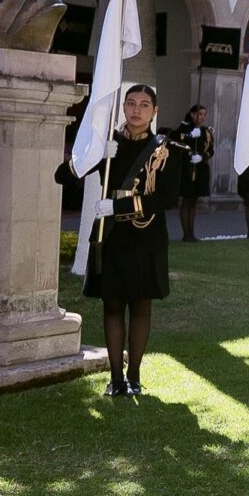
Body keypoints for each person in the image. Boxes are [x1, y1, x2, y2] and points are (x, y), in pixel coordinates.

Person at [63, 82, 180, 397]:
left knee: (141, 306)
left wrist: (120, 205)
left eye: (144, 104)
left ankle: (135, 375)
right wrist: (93, 151)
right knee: (112, 305)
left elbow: (167, 198)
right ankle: (115, 378)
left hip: (146, 235)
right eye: (131, 103)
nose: (136, 110)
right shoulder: (108, 144)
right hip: (111, 235)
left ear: (154, 111)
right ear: (123, 108)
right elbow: (63, 175)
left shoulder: (166, 148)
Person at [171, 103, 215, 243]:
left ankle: (191, 232)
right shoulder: (183, 128)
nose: (202, 117)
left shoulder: (206, 131)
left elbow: (210, 149)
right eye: (199, 114)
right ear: (192, 114)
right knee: (186, 201)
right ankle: (186, 234)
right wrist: (190, 135)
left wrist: (202, 156)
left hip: (200, 169)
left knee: (193, 201)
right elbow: (175, 141)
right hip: (187, 170)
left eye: (203, 114)